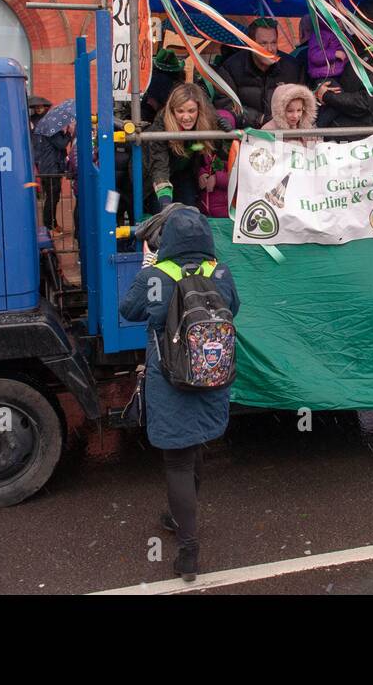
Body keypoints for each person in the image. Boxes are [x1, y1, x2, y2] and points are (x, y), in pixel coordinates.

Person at [118, 206, 240, 582]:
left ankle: (188, 549)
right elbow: (233, 307)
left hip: (170, 378)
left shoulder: (156, 275)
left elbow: (128, 309)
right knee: (197, 443)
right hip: (211, 373)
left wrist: (147, 272)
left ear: (167, 240)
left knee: (177, 461)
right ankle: (179, 517)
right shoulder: (218, 272)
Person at [315, 0, 373, 131]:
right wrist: (321, 87)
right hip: (336, 134)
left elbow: (366, 103)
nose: (352, 25)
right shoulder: (353, 50)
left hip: (362, 141)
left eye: (356, 20)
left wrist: (328, 96)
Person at [144, 83, 230, 211]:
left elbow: (212, 147)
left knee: (189, 210)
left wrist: (229, 135)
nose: (186, 117)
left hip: (183, 173)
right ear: (172, 111)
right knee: (165, 211)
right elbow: (159, 168)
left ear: (199, 110)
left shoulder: (205, 119)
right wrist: (165, 205)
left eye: (191, 111)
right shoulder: (160, 129)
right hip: (151, 179)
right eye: (180, 111)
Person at [213, 18, 305, 129]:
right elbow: (225, 104)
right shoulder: (231, 67)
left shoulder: (293, 67)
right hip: (245, 135)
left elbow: (305, 103)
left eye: (274, 42)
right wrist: (260, 119)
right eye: (263, 44)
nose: (270, 49)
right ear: (251, 44)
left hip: (284, 135)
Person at [33, 111, 73, 233]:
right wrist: (69, 133)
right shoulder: (52, 132)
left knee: (52, 197)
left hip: (49, 168)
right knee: (52, 198)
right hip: (51, 169)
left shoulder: (50, 131)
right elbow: (61, 144)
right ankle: (50, 224)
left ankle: (50, 223)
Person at [262, 83, 319, 147]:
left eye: (299, 110)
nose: (295, 116)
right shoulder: (268, 130)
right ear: (279, 110)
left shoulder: (308, 129)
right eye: (290, 111)